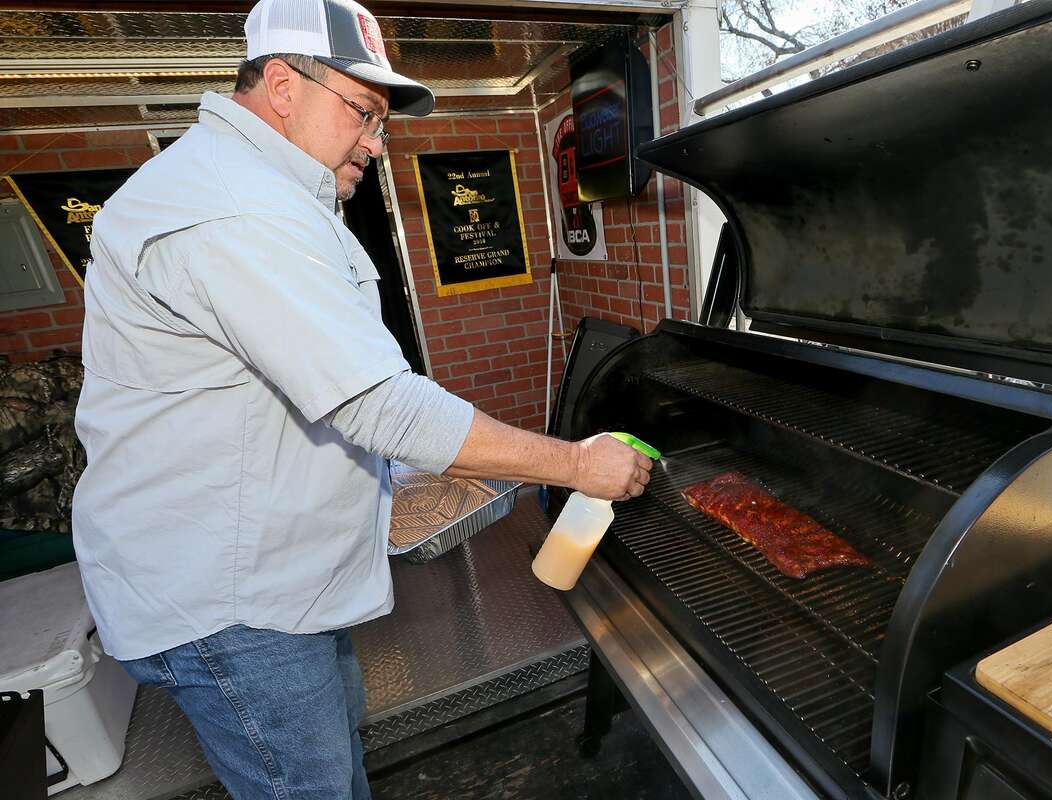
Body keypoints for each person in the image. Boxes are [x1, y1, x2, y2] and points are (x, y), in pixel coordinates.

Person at [70, 0, 651, 797]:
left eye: (381, 121)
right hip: (235, 607)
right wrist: (577, 462)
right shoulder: (236, 208)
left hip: (269, 587)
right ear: (282, 84)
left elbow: (275, 394)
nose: (377, 143)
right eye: (365, 113)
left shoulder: (244, 190)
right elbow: (382, 405)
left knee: (335, 769)